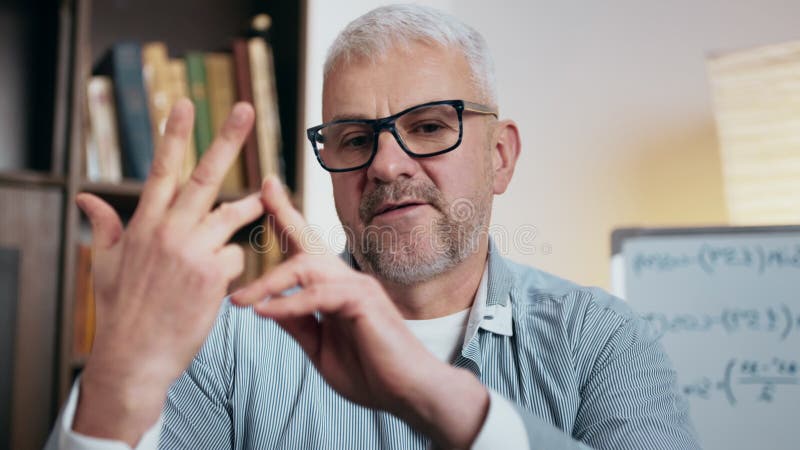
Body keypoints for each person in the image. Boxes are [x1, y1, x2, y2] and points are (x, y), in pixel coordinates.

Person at [48, 4, 700, 449]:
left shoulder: (603, 342)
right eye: (354, 138)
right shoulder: (228, 346)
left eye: (428, 127)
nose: (387, 164)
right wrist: (120, 378)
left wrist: (434, 393)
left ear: (499, 157)